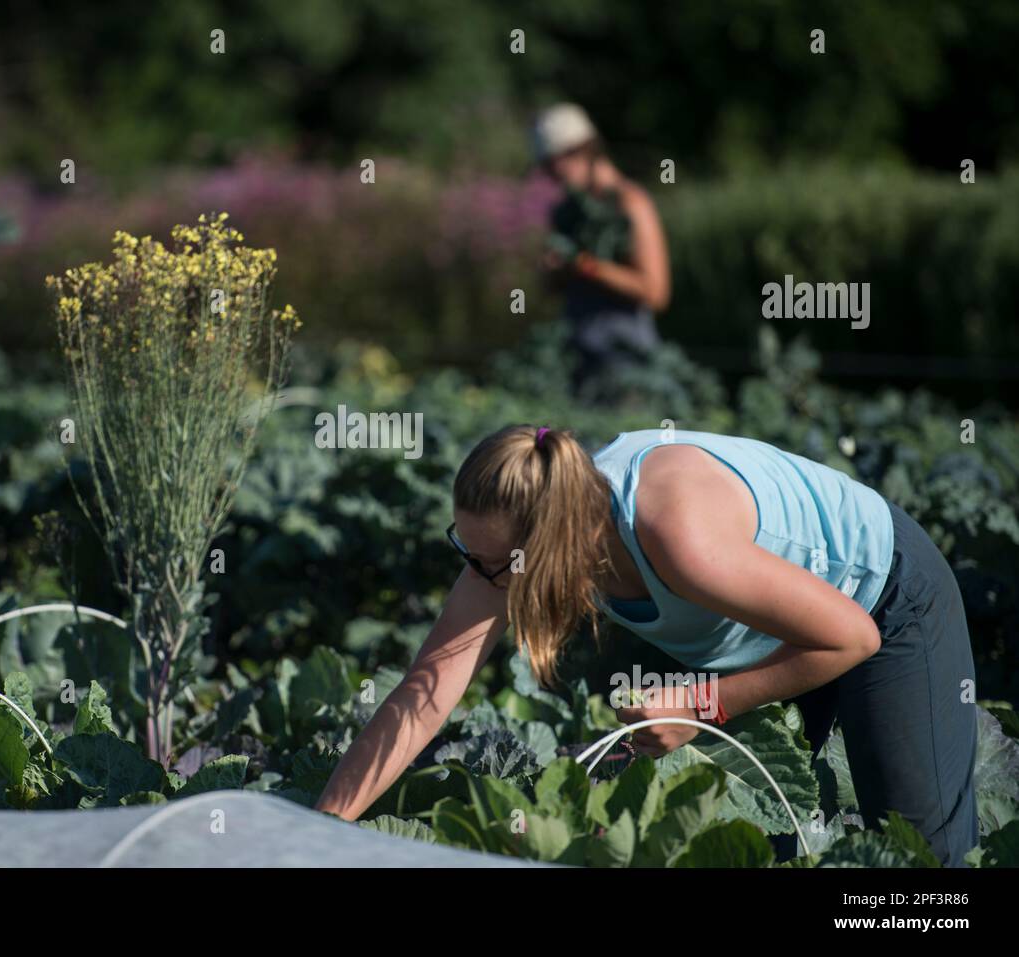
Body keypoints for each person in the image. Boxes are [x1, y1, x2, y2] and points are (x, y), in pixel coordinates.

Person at [315, 424, 980, 867]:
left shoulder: (676, 534)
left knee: (918, 866)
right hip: (762, 625)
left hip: (884, 603)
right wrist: (319, 832)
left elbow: (850, 636)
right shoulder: (516, 535)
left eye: (492, 563)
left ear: (555, 550)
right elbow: (423, 693)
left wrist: (699, 706)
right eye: (468, 552)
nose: (479, 577)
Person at [533, 104, 670, 397]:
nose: (551, 177)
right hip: (579, 363)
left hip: (629, 366)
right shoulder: (567, 212)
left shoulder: (630, 203)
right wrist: (555, 271)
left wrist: (587, 266)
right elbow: (550, 289)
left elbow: (655, 291)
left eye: (552, 165)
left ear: (582, 151)